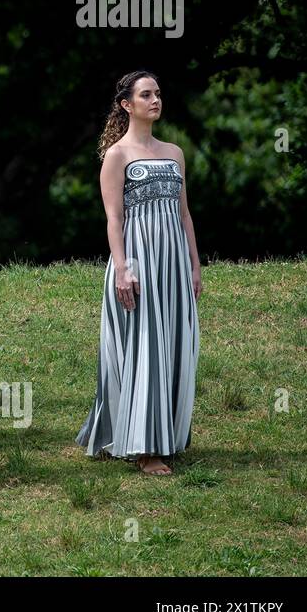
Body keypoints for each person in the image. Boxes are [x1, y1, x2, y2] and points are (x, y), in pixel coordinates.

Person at [77, 71, 201, 475]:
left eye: (158, 94)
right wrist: (123, 268)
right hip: (138, 261)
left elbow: (183, 212)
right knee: (143, 348)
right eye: (146, 94)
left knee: (174, 346)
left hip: (174, 262)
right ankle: (145, 448)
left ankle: (165, 434)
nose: (155, 100)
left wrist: (194, 263)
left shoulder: (174, 152)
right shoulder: (117, 156)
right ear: (127, 105)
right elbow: (113, 218)